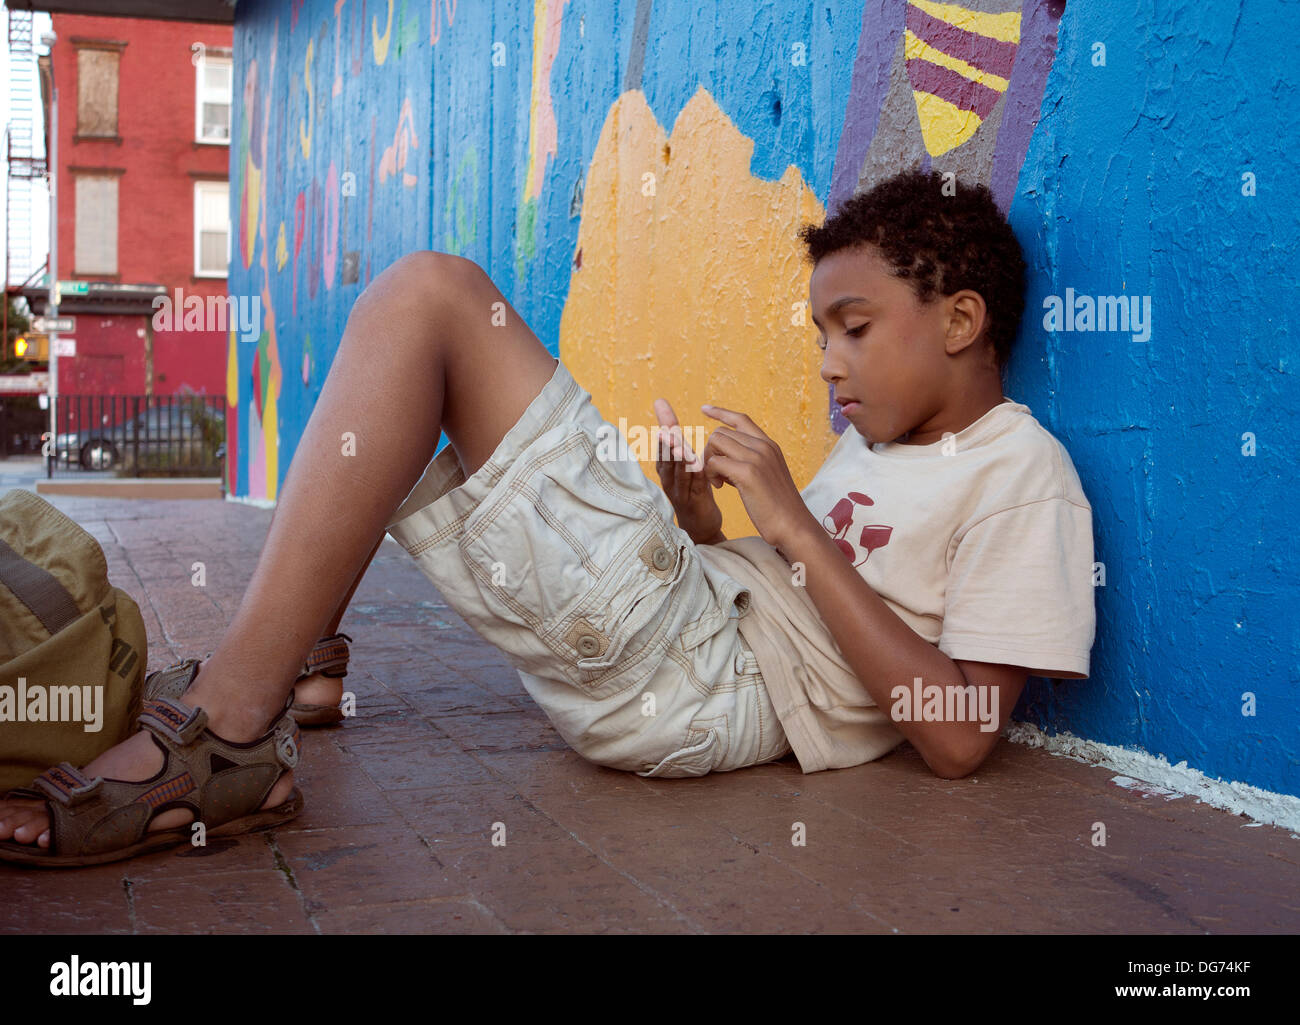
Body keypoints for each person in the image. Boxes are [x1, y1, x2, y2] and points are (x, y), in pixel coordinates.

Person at [0, 168, 1094, 866]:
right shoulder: (880, 450)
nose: (827, 364)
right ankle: (297, 675)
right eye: (820, 336)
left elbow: (957, 739)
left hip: (708, 686)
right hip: (701, 627)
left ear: (960, 319)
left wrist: (793, 527)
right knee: (412, 391)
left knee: (431, 300)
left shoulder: (1020, 473)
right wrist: (696, 516)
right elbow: (801, 597)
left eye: (853, 329)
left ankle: (227, 733)